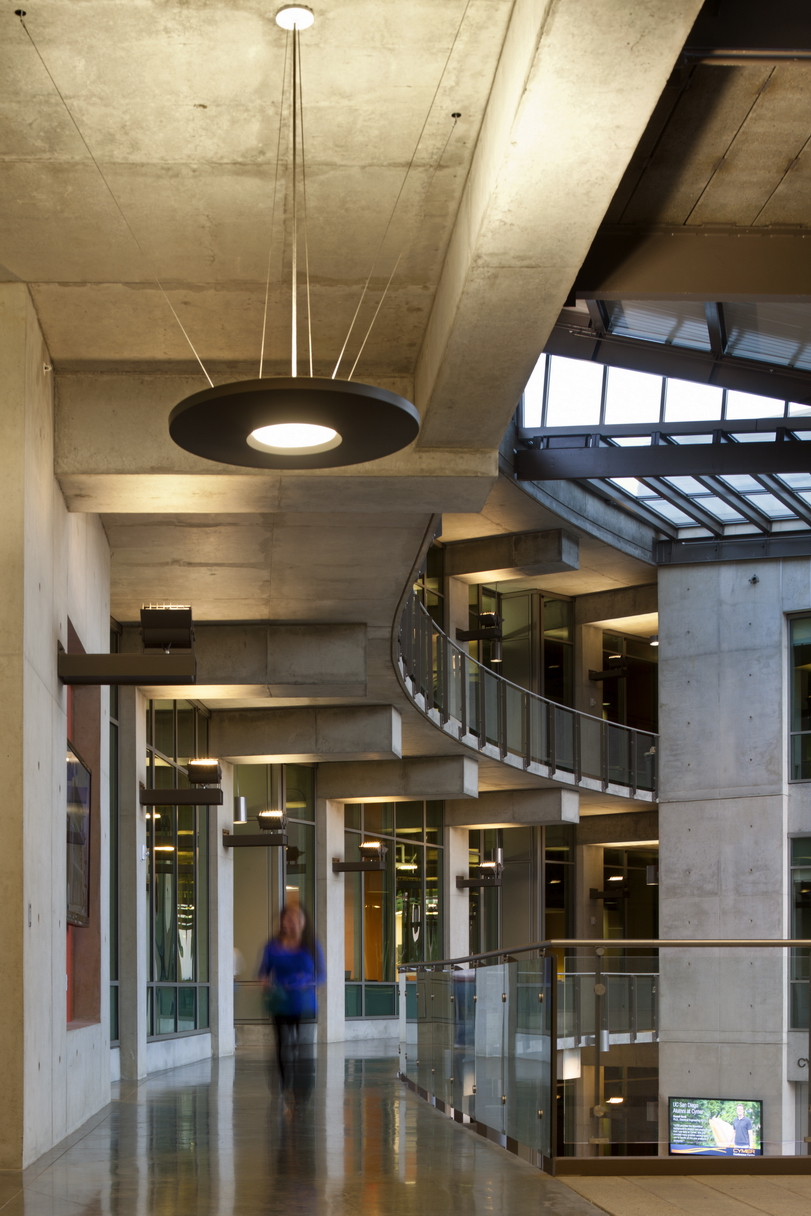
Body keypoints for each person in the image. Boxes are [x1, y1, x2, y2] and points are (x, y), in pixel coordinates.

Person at [259, 904, 325, 1093]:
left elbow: (322, 975)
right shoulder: (272, 946)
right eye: (288, 918)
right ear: (282, 922)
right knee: (283, 1045)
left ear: (304, 922)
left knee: (303, 1047)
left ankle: (302, 1090)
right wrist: (265, 983)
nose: (293, 922)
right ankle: (283, 1086)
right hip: (281, 1002)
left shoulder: (311, 945)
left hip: (305, 1003)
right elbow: (263, 972)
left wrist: (307, 981)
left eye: (297, 918)